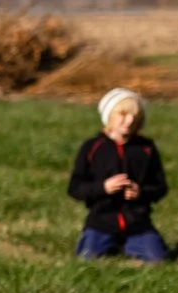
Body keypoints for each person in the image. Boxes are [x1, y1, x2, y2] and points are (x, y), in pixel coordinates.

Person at [69, 87, 169, 263]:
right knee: (86, 258)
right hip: (101, 222)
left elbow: (160, 187)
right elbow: (75, 188)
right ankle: (109, 243)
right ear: (109, 116)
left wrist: (140, 192)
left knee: (157, 259)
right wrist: (103, 188)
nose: (129, 121)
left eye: (135, 116)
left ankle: (130, 243)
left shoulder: (146, 148)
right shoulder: (92, 148)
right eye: (122, 114)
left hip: (137, 223)